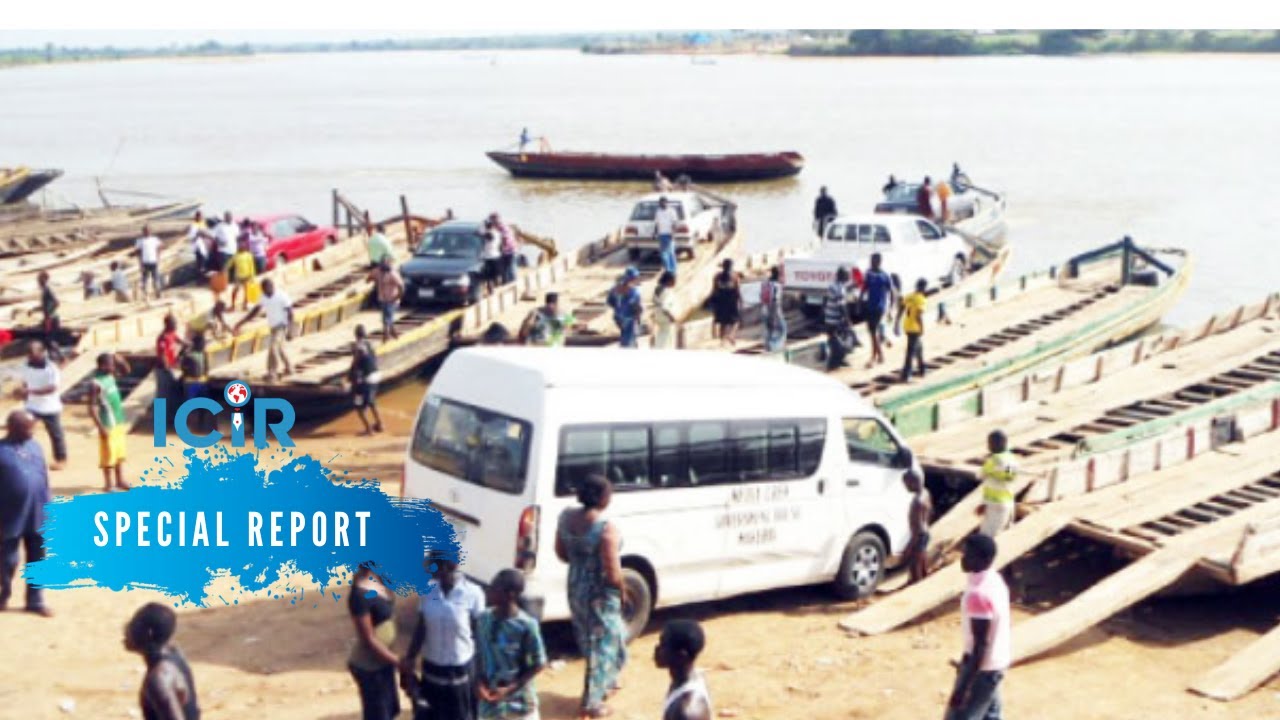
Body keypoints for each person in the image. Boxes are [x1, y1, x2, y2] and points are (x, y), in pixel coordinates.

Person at [555, 475, 627, 718]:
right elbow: (613, 572)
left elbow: (561, 553)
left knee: (590, 639)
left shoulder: (565, 518)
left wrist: (581, 562)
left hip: (576, 586)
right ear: (603, 498)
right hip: (600, 593)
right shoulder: (606, 530)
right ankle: (592, 704)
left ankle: (607, 684)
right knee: (603, 644)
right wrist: (623, 590)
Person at [401, 557, 485, 720]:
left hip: (460, 671)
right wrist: (409, 659)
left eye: (434, 568)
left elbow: (479, 637)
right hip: (432, 669)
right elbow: (421, 628)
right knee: (430, 714)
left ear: (447, 567)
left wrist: (480, 675)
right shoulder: (427, 591)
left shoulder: (473, 593)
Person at [945, 534, 1010, 720]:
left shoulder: (978, 595)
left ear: (984, 560)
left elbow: (981, 644)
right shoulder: (994, 579)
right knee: (991, 715)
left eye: (968, 555)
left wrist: (965, 686)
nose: (962, 559)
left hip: (982, 668)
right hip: (996, 664)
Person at [476, 569, 548, 720]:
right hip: (490, 706)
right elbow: (478, 655)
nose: (489, 591)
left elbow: (539, 663)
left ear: (511, 594)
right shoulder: (483, 619)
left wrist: (510, 689)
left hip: (519, 706)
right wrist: (479, 683)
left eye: (496, 589)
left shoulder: (526, 625)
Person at [0, 409, 53, 616]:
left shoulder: (36, 447)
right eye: (28, 428)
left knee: (38, 558)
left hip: (37, 513)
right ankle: (4, 594)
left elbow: (43, 477)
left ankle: (35, 600)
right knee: (8, 560)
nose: (33, 431)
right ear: (13, 428)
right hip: (9, 516)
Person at [124, 602, 201, 720]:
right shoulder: (175, 653)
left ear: (148, 633)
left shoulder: (159, 678)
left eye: (134, 624)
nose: (127, 628)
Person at [348, 565, 400, 720]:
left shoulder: (380, 580)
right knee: (378, 714)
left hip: (383, 662)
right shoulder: (359, 595)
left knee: (389, 711)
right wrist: (398, 662)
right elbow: (369, 639)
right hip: (369, 666)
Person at [234, 278, 294, 381]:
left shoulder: (281, 296)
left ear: (272, 287)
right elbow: (254, 312)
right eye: (263, 290)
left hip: (282, 325)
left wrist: (290, 329)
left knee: (273, 347)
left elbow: (290, 313)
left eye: (267, 289)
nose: (265, 292)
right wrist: (240, 323)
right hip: (273, 326)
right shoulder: (263, 297)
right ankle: (289, 368)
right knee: (280, 348)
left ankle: (272, 373)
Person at [18, 341, 66, 470]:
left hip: (50, 407)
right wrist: (23, 394)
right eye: (28, 353)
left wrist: (30, 391)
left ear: (41, 352)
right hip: (32, 406)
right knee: (24, 432)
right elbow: (25, 382)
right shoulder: (25, 365)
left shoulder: (52, 368)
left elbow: (52, 388)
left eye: (32, 353)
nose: (29, 356)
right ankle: (25, 457)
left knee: (56, 434)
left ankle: (60, 459)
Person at [89, 352, 131, 492]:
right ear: (102, 365)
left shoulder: (110, 376)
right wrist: (100, 427)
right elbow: (92, 407)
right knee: (108, 455)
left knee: (119, 453)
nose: (113, 367)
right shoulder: (96, 383)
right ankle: (108, 484)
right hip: (107, 423)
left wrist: (121, 360)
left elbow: (126, 371)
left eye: (113, 364)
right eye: (111, 364)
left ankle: (120, 480)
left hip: (118, 421)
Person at [655, 620, 712, 720]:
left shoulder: (685, 713)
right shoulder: (686, 678)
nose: (657, 648)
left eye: (663, 645)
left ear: (681, 656)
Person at [977, 430, 1017, 538]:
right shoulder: (1011, 459)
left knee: (987, 535)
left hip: (994, 503)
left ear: (992, 445)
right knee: (1002, 533)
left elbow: (980, 475)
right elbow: (1010, 476)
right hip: (1008, 502)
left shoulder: (993, 461)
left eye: (989, 443)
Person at [860, 253, 894, 368]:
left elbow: (892, 292)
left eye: (874, 261)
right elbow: (864, 288)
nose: (872, 263)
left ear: (879, 262)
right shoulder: (869, 273)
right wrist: (860, 301)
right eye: (871, 260)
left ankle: (875, 357)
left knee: (873, 332)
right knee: (872, 332)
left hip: (879, 307)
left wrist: (891, 309)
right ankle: (879, 355)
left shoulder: (884, 276)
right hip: (870, 306)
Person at [349, 325, 384, 435]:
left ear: (355, 334)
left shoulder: (359, 347)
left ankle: (368, 429)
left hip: (367, 379)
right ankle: (380, 424)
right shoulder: (370, 344)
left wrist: (350, 375)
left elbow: (355, 363)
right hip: (376, 375)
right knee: (371, 402)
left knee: (358, 405)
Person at [154, 315, 188, 425]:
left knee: (172, 395)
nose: (176, 326)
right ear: (167, 324)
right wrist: (168, 367)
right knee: (163, 395)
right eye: (174, 324)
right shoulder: (163, 337)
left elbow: (181, 342)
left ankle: (170, 419)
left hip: (171, 368)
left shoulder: (172, 334)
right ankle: (160, 421)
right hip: (163, 370)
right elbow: (162, 354)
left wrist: (187, 347)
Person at [823, 267, 857, 370]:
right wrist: (848, 320)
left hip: (829, 317)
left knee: (834, 339)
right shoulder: (839, 288)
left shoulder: (832, 285)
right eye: (847, 275)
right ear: (843, 276)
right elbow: (841, 305)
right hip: (834, 319)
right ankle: (833, 363)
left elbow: (826, 300)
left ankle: (839, 360)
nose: (848, 277)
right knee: (838, 341)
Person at [904, 469, 933, 585]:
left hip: (919, 535)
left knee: (914, 563)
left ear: (913, 482)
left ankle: (917, 585)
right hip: (926, 533)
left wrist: (909, 545)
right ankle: (925, 577)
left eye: (906, 484)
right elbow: (930, 512)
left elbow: (918, 528)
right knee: (922, 558)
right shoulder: (926, 493)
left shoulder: (917, 502)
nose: (905, 487)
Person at [179, 332, 211, 435]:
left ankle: (200, 425)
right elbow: (182, 367)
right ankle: (187, 427)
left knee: (203, 406)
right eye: (202, 343)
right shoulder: (188, 355)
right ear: (196, 343)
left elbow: (207, 368)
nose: (203, 345)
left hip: (202, 382)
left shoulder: (204, 354)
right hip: (191, 383)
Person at [897, 278, 928, 382]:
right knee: (911, 352)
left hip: (907, 325)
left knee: (919, 348)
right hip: (915, 328)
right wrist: (922, 327)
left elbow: (901, 307)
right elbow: (919, 315)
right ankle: (906, 375)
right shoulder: (921, 299)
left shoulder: (909, 296)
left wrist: (897, 321)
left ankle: (922, 369)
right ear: (924, 287)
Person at [367, 258, 404, 344]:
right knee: (388, 320)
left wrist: (397, 297)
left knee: (386, 321)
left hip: (392, 300)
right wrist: (373, 279)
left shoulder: (393, 274)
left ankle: (385, 341)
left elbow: (401, 286)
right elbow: (369, 278)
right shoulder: (378, 272)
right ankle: (396, 337)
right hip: (383, 300)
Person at [607, 267, 644, 349]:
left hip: (618, 317)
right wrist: (638, 320)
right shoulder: (633, 291)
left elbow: (610, 302)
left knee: (625, 336)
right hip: (629, 318)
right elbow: (637, 308)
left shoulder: (614, 289)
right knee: (629, 341)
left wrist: (618, 309)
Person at [710, 259, 742, 347]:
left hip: (721, 302)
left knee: (722, 322)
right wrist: (741, 302)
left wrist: (713, 303)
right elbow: (738, 291)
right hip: (732, 302)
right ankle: (731, 335)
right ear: (731, 266)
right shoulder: (735, 276)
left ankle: (722, 341)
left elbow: (714, 290)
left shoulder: (717, 276)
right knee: (736, 321)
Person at [225, 239, 258, 312]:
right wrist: (225, 268)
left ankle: (245, 305)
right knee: (235, 291)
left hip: (247, 276)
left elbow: (252, 266)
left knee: (246, 292)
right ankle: (233, 306)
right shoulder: (236, 255)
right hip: (238, 277)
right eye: (239, 246)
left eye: (242, 246)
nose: (241, 247)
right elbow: (230, 264)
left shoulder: (249, 255)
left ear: (245, 247)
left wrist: (252, 276)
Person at [37, 271, 63, 362]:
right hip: (49, 318)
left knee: (49, 339)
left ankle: (60, 357)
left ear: (44, 279)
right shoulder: (45, 289)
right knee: (48, 339)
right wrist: (34, 309)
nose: (37, 281)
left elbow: (57, 302)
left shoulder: (48, 289)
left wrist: (49, 313)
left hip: (51, 318)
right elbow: (45, 305)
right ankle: (53, 358)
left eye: (39, 279)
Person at [761, 266, 787, 353]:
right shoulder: (777, 285)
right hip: (774, 310)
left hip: (764, 309)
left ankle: (767, 347)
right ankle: (775, 347)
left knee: (768, 328)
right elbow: (775, 300)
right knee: (782, 328)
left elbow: (762, 296)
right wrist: (774, 314)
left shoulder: (765, 283)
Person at [653, 196, 680, 276]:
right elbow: (657, 223)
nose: (662, 204)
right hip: (661, 235)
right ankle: (668, 270)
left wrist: (673, 233)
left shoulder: (672, 211)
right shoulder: (658, 211)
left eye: (664, 202)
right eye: (660, 203)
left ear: (667, 203)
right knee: (663, 254)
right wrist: (655, 233)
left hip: (669, 234)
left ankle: (673, 270)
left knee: (671, 253)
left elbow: (675, 223)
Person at [136, 224, 164, 300]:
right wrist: (140, 263)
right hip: (145, 262)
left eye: (148, 231)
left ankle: (158, 293)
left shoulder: (154, 239)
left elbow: (160, 246)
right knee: (144, 279)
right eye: (145, 231)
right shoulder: (140, 241)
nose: (147, 232)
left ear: (150, 231)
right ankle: (145, 295)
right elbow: (138, 253)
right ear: (143, 232)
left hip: (153, 261)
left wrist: (158, 256)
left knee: (156, 278)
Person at [652, 272, 679, 350]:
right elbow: (665, 306)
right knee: (667, 337)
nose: (675, 282)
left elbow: (655, 302)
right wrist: (672, 317)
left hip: (658, 315)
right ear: (669, 281)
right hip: (666, 317)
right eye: (674, 280)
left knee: (661, 334)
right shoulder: (666, 291)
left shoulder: (657, 289)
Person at [492, 213, 520, 285]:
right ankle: (505, 282)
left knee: (511, 268)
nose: (494, 223)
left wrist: (501, 249)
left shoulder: (503, 228)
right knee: (503, 268)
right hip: (504, 251)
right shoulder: (496, 228)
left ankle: (514, 284)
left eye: (494, 221)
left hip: (511, 251)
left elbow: (505, 240)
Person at [481, 219, 503, 294]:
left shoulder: (489, 234)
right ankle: (494, 289)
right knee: (495, 275)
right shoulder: (497, 233)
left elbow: (487, 235)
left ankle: (491, 290)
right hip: (496, 256)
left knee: (489, 277)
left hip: (488, 257)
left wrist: (481, 231)